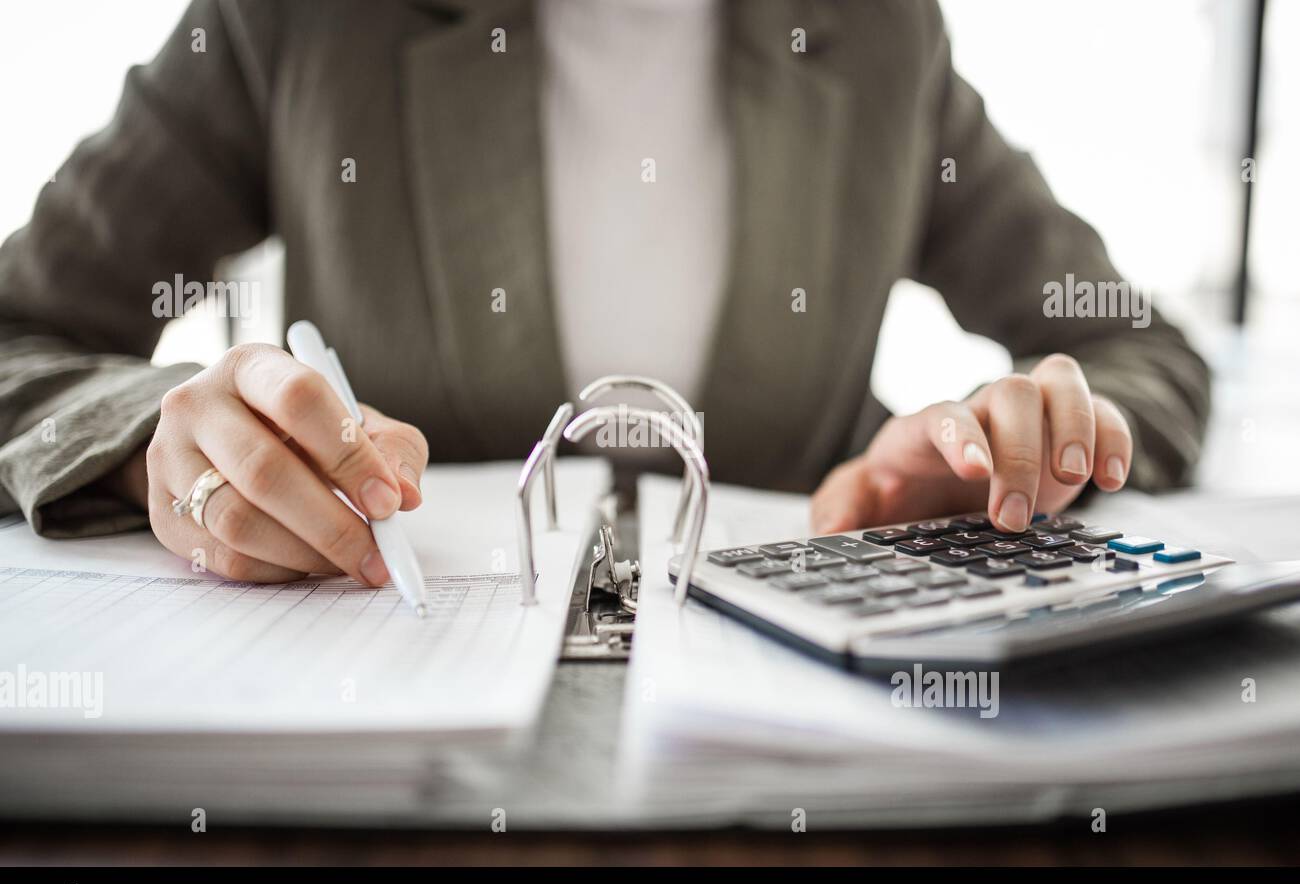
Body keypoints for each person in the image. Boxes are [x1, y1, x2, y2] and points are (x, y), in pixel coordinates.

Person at [0, 0, 1209, 588]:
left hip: (805, 754)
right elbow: (21, 328)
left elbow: (1128, 347)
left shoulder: (876, 33)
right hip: (394, 724)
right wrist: (150, 440)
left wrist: (1029, 446)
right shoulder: (301, 21)